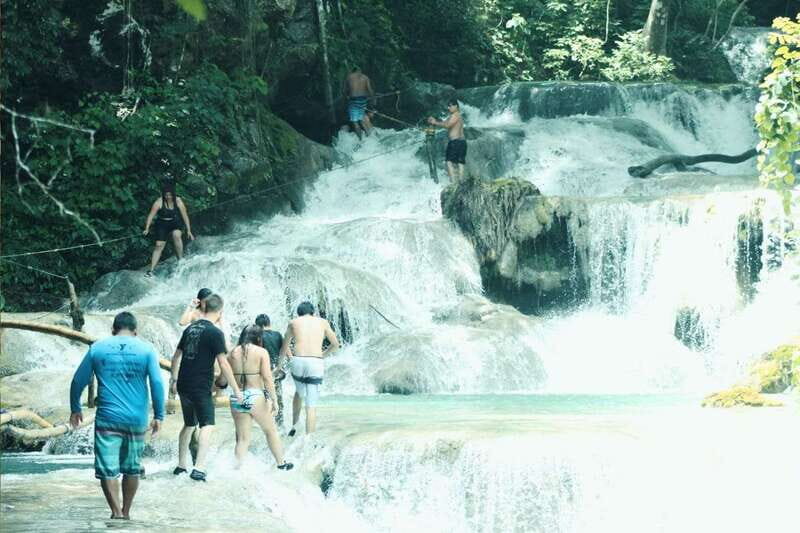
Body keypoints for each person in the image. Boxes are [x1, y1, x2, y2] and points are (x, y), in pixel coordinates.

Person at [69, 311, 165, 520]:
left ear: (113, 329)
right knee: (132, 467)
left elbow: (78, 381)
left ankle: (116, 512)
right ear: (135, 331)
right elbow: (157, 383)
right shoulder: (147, 350)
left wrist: (75, 408)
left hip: (108, 419)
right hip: (137, 420)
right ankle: (127, 512)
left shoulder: (98, 348)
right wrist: (159, 415)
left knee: (108, 469)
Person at [170, 293, 241, 482]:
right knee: (207, 424)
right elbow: (224, 364)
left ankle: (181, 465)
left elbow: (176, 357)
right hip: (200, 384)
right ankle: (199, 467)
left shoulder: (191, 328)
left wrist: (174, 380)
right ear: (220, 311)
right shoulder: (215, 333)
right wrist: (236, 389)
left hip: (184, 384)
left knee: (189, 424)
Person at [225, 325, 293, 470]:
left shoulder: (231, 353)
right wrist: (274, 400)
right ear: (258, 338)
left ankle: (236, 469)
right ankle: (281, 464)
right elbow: (268, 378)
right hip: (255, 396)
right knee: (271, 431)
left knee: (242, 439)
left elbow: (222, 381)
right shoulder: (261, 352)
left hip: (237, 397)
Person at [278, 301, 340, 435]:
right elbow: (335, 344)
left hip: (298, 361)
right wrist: (323, 354)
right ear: (313, 313)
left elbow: (284, 347)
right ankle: (309, 441)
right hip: (315, 362)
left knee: (299, 392)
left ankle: (294, 426)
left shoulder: (293, 322)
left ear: (299, 313)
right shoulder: (322, 322)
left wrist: (278, 366)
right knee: (311, 406)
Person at [143, 181, 194, 276]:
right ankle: (151, 270)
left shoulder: (178, 201)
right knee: (159, 245)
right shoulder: (159, 202)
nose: (168, 197)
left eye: (170, 195)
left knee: (176, 235)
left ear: (173, 194)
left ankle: (180, 260)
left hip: (175, 222)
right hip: (162, 223)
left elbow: (185, 216)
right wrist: (147, 228)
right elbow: (151, 215)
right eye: (166, 195)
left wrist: (189, 230)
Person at [255, 313, 285, 426]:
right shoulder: (278, 335)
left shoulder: (258, 337)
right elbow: (284, 351)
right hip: (275, 371)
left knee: (264, 398)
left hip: (263, 371)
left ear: (257, 326)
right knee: (277, 397)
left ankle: (266, 424)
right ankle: (280, 424)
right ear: (269, 323)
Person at [427, 99, 466, 181]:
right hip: (461, 142)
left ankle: (453, 182)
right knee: (460, 162)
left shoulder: (455, 115)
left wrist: (435, 122)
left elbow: (447, 125)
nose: (448, 108)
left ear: (456, 106)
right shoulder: (455, 116)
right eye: (448, 106)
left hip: (455, 142)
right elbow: (444, 123)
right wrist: (435, 121)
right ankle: (460, 182)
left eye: (450, 105)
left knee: (449, 162)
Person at [343, 66, 374, 139]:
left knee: (355, 122)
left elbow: (344, 91)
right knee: (361, 119)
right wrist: (372, 100)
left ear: (353, 71)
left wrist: (346, 97)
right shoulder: (365, 77)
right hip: (363, 100)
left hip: (353, 101)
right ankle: (369, 137)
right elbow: (370, 90)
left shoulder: (349, 77)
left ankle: (360, 140)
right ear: (360, 71)